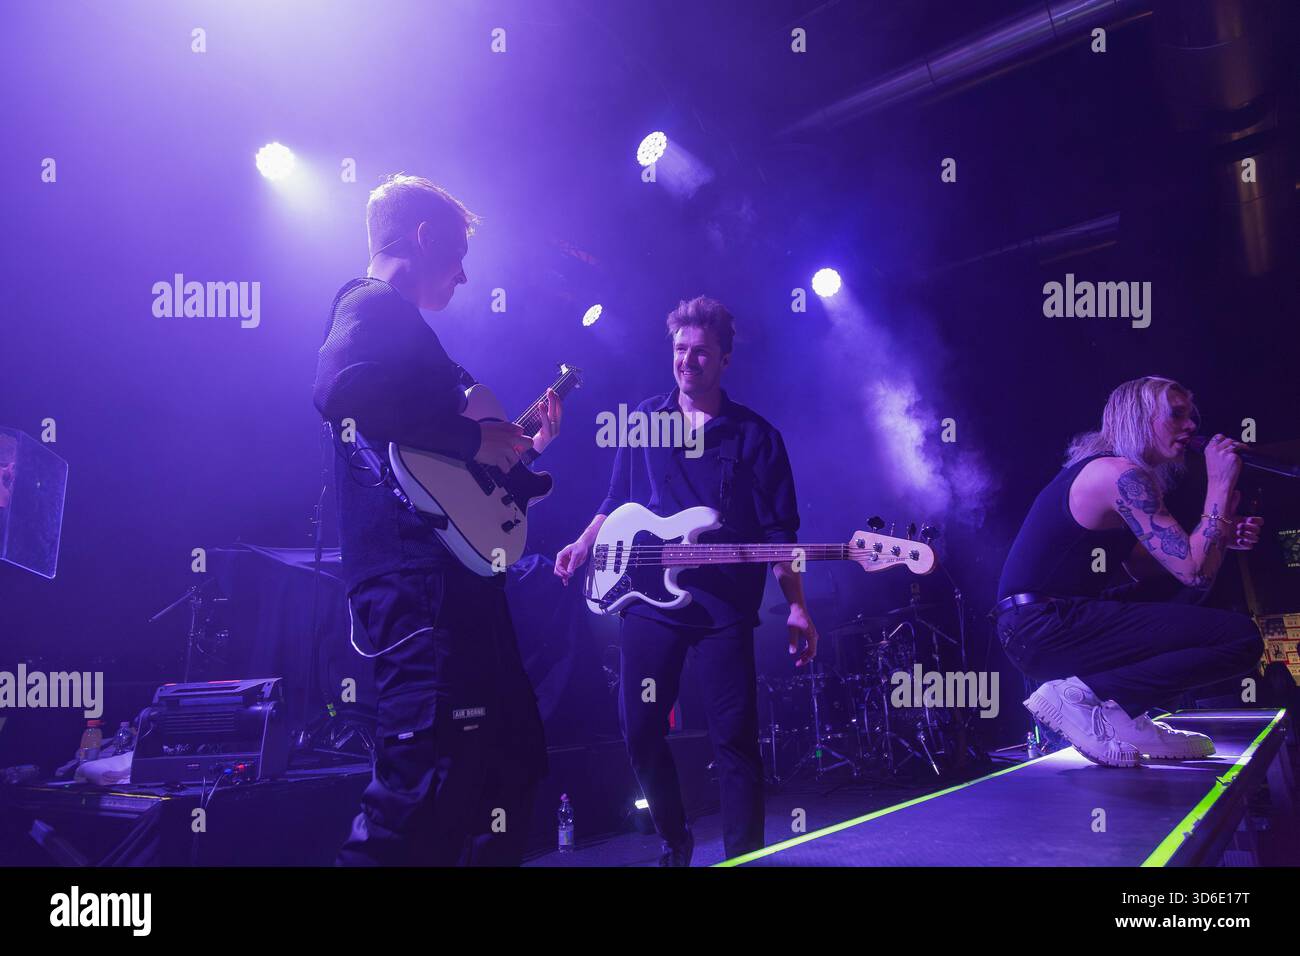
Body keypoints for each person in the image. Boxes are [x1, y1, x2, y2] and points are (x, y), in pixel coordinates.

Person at [314, 174, 561, 864]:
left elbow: (447, 464)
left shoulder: (417, 339)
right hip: (414, 580)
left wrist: (522, 452)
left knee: (510, 760)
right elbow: (337, 388)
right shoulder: (369, 304)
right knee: (419, 780)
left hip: (456, 574)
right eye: (455, 252)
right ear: (422, 238)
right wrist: (472, 440)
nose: (463, 272)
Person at [554, 296, 816, 864]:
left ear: (724, 357)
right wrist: (583, 542)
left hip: (724, 608)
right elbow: (614, 499)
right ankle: (676, 843)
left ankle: (743, 856)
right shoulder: (643, 421)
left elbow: (782, 534)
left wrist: (796, 606)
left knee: (735, 741)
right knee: (639, 729)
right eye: (679, 350)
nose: (687, 362)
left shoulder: (757, 437)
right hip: (649, 600)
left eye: (700, 352)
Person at [995, 376, 1264, 766]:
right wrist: (1219, 485)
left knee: (1191, 597)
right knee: (1240, 639)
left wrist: (1219, 534)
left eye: (1192, 416)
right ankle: (1084, 696)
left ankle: (1124, 716)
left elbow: (1160, 571)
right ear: (1140, 418)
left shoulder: (1121, 475)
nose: (1191, 426)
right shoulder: (1119, 474)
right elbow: (1194, 570)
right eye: (1176, 415)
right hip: (1043, 624)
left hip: (1049, 621)